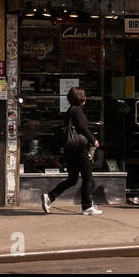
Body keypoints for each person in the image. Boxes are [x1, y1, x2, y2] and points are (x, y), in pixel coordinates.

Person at [42, 87, 101, 215]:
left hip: (70, 149)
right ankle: (87, 206)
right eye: (84, 95)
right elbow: (83, 128)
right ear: (80, 98)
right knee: (88, 177)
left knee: (73, 179)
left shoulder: (70, 111)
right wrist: (93, 140)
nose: (85, 97)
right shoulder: (78, 110)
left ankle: (50, 196)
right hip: (79, 149)